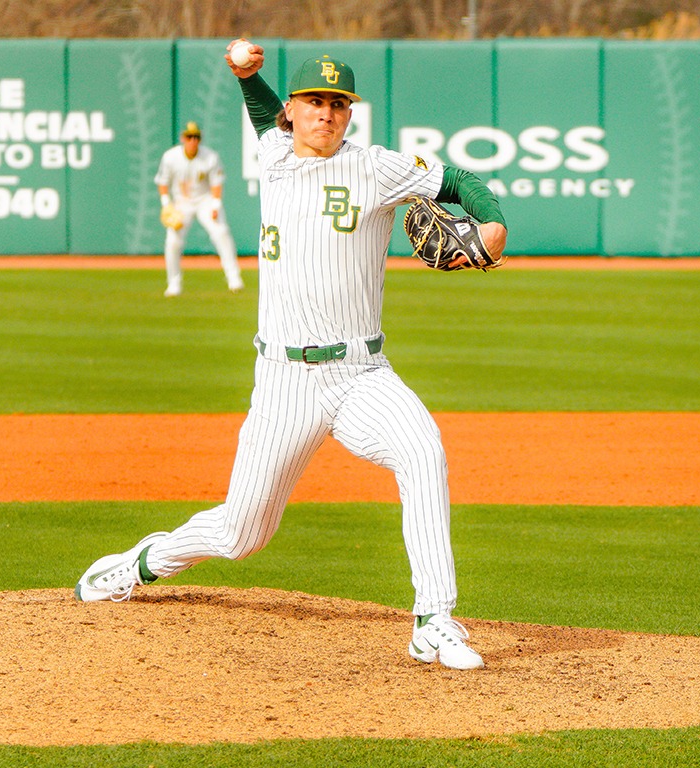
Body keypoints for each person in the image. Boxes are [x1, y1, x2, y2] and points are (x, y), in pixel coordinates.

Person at [77, 42, 509, 672]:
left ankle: (434, 620)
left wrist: (493, 223)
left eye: (338, 104)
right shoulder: (274, 153)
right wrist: (249, 76)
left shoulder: (379, 168)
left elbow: (461, 182)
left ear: (350, 113)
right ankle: (142, 563)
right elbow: (260, 112)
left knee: (424, 451)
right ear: (294, 112)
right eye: (313, 103)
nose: (326, 115)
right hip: (283, 382)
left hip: (362, 373)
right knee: (241, 533)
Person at [154, 121, 245, 296]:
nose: (193, 141)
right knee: (173, 241)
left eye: (196, 137)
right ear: (183, 138)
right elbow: (162, 181)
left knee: (221, 232)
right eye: (189, 137)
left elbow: (217, 183)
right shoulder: (170, 157)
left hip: (205, 200)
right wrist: (166, 204)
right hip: (181, 202)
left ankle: (234, 278)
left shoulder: (210, 157)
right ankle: (174, 283)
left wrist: (216, 205)